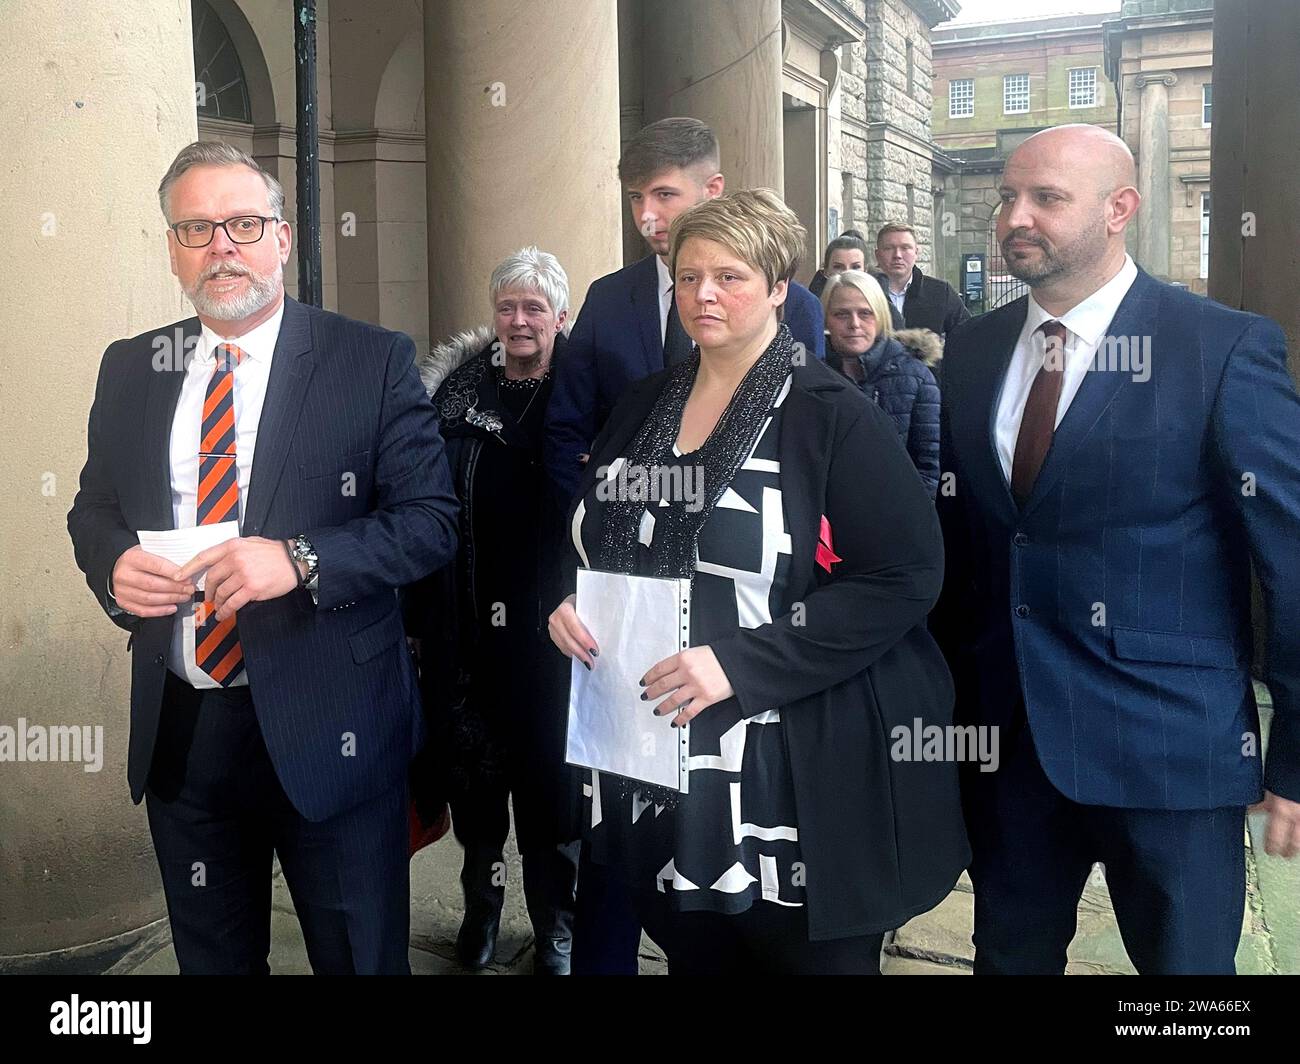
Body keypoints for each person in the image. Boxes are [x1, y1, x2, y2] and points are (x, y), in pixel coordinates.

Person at [548, 189, 969, 975]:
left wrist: (739, 664)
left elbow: (905, 575)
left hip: (791, 778)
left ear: (780, 289)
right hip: (656, 758)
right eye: (688, 276)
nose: (704, 294)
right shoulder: (645, 403)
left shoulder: (830, 414)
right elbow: (595, 534)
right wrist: (573, 601)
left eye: (731, 276)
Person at [66, 141, 459, 975]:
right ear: (172, 247)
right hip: (186, 727)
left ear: (282, 238)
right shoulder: (133, 367)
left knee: (359, 958)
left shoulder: (369, 359)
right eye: (197, 228)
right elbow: (93, 508)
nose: (223, 247)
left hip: (334, 726)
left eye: (243, 224)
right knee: (213, 961)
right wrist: (111, 567)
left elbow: (430, 523)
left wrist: (304, 560)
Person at [934, 124, 1300, 975]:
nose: (1015, 217)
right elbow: (969, 548)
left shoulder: (1222, 348)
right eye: (1007, 197)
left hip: (1170, 753)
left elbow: (1289, 557)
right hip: (1009, 751)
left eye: (1046, 199)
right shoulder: (976, 349)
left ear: (1119, 209)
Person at [405, 247, 581, 975]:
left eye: (533, 308)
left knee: (551, 799)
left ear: (559, 317)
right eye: (507, 306)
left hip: (556, 637)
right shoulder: (455, 396)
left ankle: (556, 930)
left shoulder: (583, 392)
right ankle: (482, 912)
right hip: (471, 624)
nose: (518, 321)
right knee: (478, 794)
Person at [545, 117, 827, 507]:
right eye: (635, 197)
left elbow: (806, 438)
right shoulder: (606, 299)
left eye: (664, 195)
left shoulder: (795, 306)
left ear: (712, 190)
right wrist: (590, 515)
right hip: (619, 538)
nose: (646, 215)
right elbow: (565, 430)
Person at [822, 269, 941, 497]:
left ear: (880, 316)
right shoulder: (811, 376)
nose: (854, 323)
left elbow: (927, 468)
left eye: (865, 313)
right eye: (841, 314)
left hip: (894, 516)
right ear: (826, 317)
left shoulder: (916, 378)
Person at [873, 222, 970, 339]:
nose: (897, 255)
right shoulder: (864, 293)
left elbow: (966, 335)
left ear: (916, 253)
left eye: (905, 248)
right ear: (877, 255)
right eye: (889, 248)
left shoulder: (940, 292)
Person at [808, 229, 868, 298]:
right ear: (825, 271)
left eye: (855, 267)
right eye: (838, 267)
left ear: (865, 270)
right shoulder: (813, 305)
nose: (847, 273)